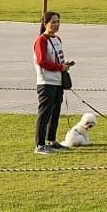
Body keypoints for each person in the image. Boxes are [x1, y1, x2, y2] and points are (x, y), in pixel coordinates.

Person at [33, 13, 72, 154]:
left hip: (57, 81)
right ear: (45, 23)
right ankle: (39, 144)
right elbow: (42, 61)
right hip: (46, 82)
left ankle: (51, 140)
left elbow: (57, 59)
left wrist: (64, 65)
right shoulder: (41, 40)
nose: (56, 24)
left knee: (55, 113)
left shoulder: (57, 39)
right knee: (44, 114)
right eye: (53, 22)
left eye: (58, 21)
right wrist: (59, 67)